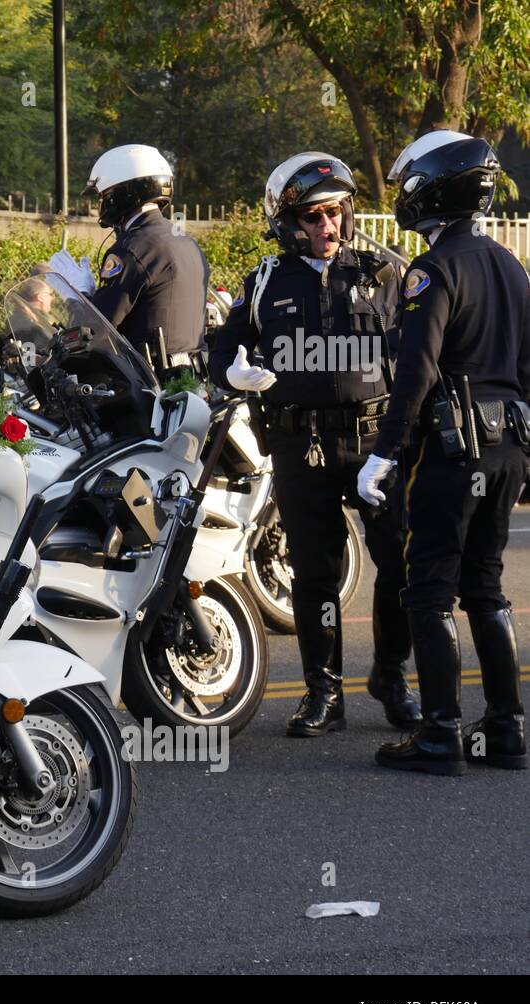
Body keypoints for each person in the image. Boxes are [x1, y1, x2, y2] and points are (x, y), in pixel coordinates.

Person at [209, 152, 421, 737]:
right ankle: (323, 690)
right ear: (285, 221)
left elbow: (425, 348)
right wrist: (233, 374)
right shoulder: (266, 281)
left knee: (401, 565)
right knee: (315, 573)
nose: (326, 226)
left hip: (375, 441)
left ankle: (390, 675)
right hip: (300, 443)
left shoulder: (387, 271)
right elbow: (222, 348)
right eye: (311, 216)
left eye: (335, 212)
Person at [358, 131, 530, 775]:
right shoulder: (510, 264)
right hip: (508, 445)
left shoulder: (433, 269)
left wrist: (385, 451)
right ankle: (506, 731)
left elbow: (417, 372)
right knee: (485, 586)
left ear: (434, 188)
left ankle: (440, 735)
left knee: (428, 591)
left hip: (454, 449)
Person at [81, 144, 210, 377]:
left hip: (149, 389)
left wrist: (78, 295)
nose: (100, 204)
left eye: (102, 195)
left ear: (121, 192)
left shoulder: (132, 248)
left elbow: (97, 327)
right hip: (192, 380)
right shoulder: (185, 241)